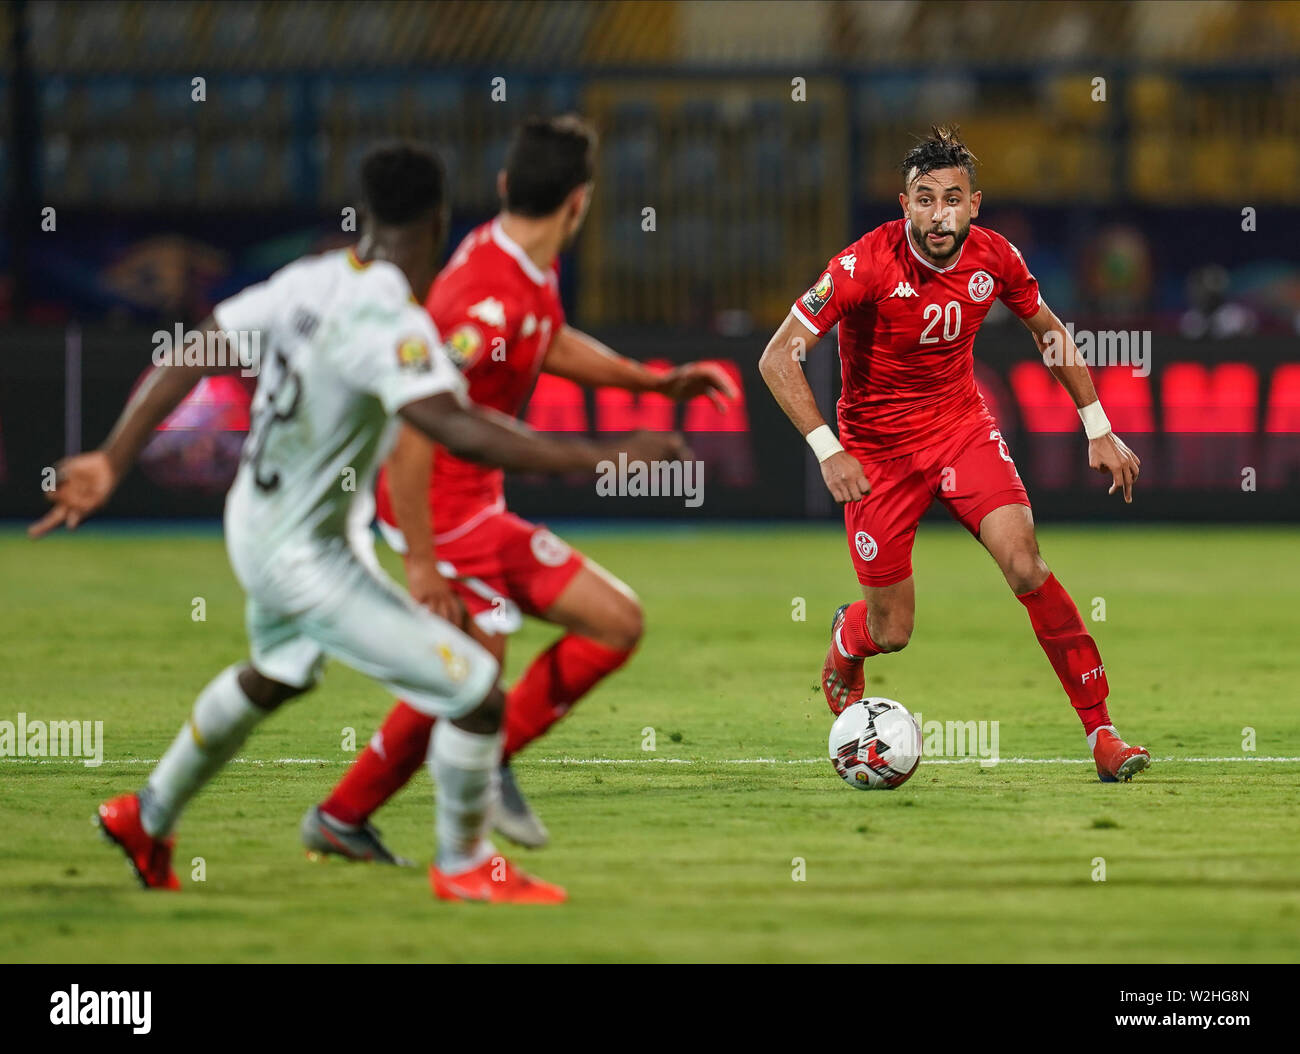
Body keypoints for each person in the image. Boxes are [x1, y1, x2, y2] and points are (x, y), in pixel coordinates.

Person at [30, 142, 686, 903]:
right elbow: (455, 425)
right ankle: (466, 865)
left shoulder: (309, 279)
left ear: (366, 215)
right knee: (474, 690)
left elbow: (195, 346)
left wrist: (114, 458)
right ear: (438, 222)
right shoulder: (390, 320)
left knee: (277, 674)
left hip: (264, 519)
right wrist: (606, 453)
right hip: (303, 555)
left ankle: (146, 816)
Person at [302, 116, 735, 860]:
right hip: (435, 510)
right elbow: (413, 431)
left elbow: (549, 337)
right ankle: (393, 814)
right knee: (479, 671)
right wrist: (421, 562)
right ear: (581, 201)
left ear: (508, 187)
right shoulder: (478, 299)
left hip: (479, 506)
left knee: (614, 622)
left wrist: (653, 382)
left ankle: (363, 811)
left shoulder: (520, 265)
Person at [758, 125, 1149, 783]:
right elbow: (778, 357)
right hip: (877, 455)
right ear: (903, 203)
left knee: (1026, 564)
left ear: (975, 203)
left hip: (961, 431)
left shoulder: (995, 257)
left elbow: (1049, 332)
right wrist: (828, 449)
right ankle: (847, 639)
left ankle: (1102, 733)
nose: (938, 214)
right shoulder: (863, 265)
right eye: (923, 199)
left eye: (951, 199)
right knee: (894, 630)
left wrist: (1098, 425)